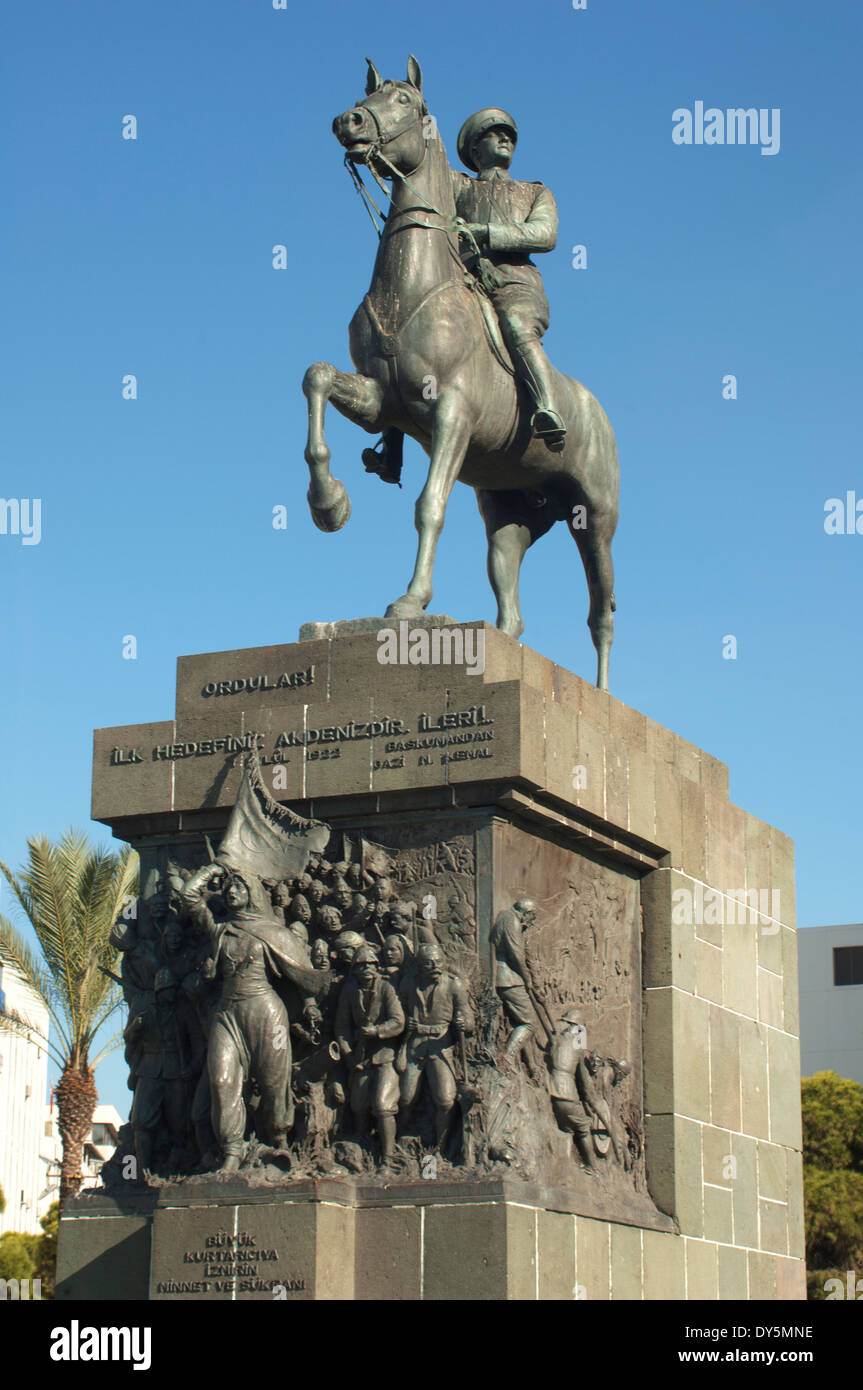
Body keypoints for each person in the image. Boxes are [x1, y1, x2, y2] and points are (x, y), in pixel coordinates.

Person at [363, 107, 565, 486]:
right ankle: (392, 451)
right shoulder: (459, 186)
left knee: (516, 326)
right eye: (494, 133)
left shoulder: (535, 192)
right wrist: (379, 149)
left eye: (509, 134)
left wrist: (484, 232)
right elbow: (419, 175)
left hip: (513, 285)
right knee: (409, 347)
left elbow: (543, 235)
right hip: (463, 286)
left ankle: (546, 406)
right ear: (475, 147)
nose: (505, 139)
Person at [182, 862, 325, 1172]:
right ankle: (231, 1151)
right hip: (227, 1014)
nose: (232, 891)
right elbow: (189, 897)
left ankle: (279, 1142)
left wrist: (310, 1004)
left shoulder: (273, 932)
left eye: (239, 886)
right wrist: (212, 869)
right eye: (229, 886)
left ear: (252, 894)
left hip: (265, 1011)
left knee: (275, 1081)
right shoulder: (220, 930)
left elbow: (301, 973)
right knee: (221, 1080)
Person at [398, 944, 473, 1152]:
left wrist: (464, 1023)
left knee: (446, 1100)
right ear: (419, 966)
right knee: (405, 1098)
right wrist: (406, 1023)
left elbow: (467, 1015)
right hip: (415, 1044)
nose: (434, 966)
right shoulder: (409, 983)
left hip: (441, 1045)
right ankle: (398, 1139)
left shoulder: (453, 985)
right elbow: (397, 1012)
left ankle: (441, 1147)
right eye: (428, 963)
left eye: (438, 961)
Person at [335, 945, 405, 1167]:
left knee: (383, 1105)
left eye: (370, 964)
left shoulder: (386, 988)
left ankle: (388, 1158)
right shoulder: (349, 991)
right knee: (358, 1104)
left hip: (385, 1055)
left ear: (377, 967)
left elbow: (398, 1021)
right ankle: (363, 1151)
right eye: (361, 965)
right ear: (354, 969)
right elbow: (342, 1027)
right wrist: (348, 1056)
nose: (366, 968)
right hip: (360, 1058)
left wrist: (377, 1031)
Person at [489, 898, 541, 1062]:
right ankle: (507, 1059)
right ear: (527, 913)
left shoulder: (504, 916)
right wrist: (528, 979)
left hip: (506, 977)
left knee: (522, 1021)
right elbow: (517, 956)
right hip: (509, 979)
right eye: (532, 918)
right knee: (530, 1023)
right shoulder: (512, 921)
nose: (531, 922)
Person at [547, 1008, 596, 1175]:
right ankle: (593, 1166)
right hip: (566, 1091)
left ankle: (566, 1164)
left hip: (552, 1089)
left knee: (567, 1128)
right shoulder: (577, 1042)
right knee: (583, 1127)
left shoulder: (557, 1039)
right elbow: (583, 1078)